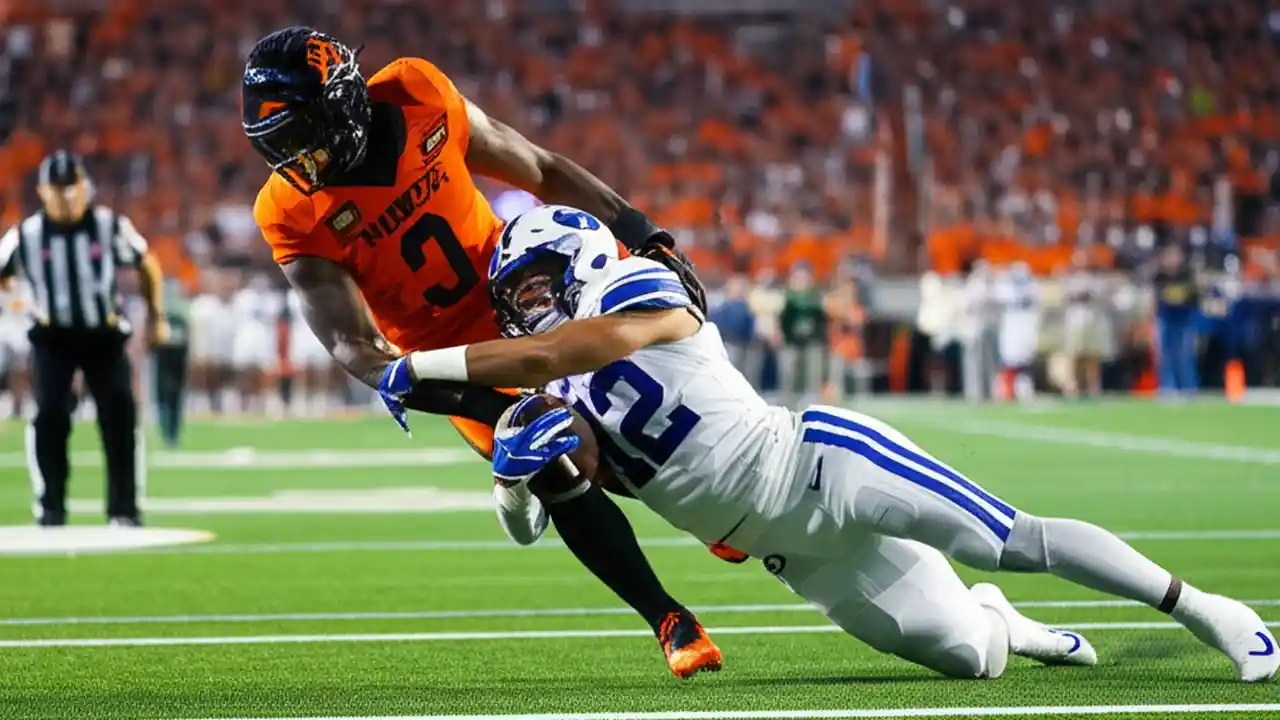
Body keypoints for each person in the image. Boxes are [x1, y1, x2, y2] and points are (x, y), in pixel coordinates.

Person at [405, 204, 1276, 683]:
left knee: (1011, 538)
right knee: (972, 659)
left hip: (824, 466)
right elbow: (549, 511)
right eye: (511, 297)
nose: (523, 306)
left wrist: (420, 364)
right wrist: (517, 483)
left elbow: (571, 348)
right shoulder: (549, 384)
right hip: (791, 552)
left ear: (575, 255)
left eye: (531, 284)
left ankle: (1211, 614)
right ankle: (1000, 620)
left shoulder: (635, 287)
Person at [241, 27, 717, 678]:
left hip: (523, 293)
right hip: (444, 353)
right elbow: (353, 345)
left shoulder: (416, 93)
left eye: (302, 138)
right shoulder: (290, 210)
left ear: (343, 105)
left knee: (639, 408)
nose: (298, 163)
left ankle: (714, 507)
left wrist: (641, 231)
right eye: (280, 149)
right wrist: (459, 392)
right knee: (553, 455)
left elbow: (541, 169)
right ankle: (668, 617)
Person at [0, 150, 168, 527]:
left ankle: (124, 509)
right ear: (43, 191)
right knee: (50, 416)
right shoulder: (26, 234)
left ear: (84, 188)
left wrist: (156, 317)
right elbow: (2, 272)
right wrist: (17, 303)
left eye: (71, 188)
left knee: (120, 416)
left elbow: (146, 263)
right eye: (57, 189)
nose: (65, 196)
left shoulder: (107, 225)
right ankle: (51, 506)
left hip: (103, 334)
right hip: (51, 337)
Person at [1152, 243, 1200, 396]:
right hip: (1166, 319)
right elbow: (1157, 297)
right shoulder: (1159, 276)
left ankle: (1188, 387)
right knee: (1166, 355)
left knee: (1184, 355)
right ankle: (1167, 388)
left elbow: (1194, 298)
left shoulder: (1187, 275)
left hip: (1184, 320)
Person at [991, 263, 1041, 402]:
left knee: (1025, 359)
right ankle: (1006, 390)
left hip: (1026, 324)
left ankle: (1024, 389)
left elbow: (1036, 299)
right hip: (1011, 325)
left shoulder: (1032, 286)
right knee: (1009, 359)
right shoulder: (1006, 286)